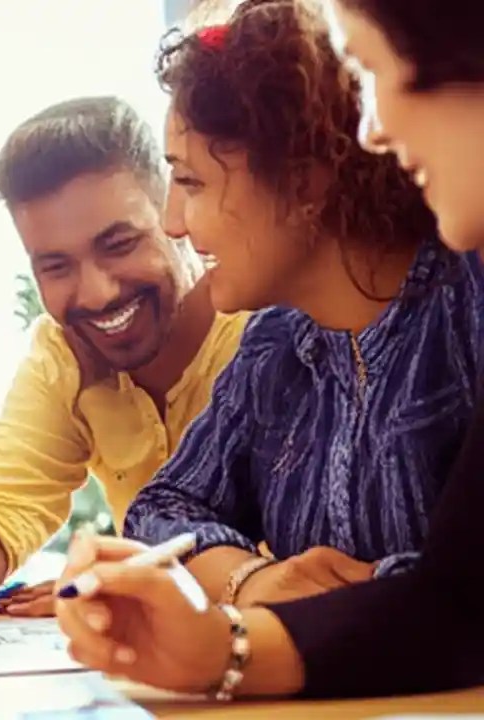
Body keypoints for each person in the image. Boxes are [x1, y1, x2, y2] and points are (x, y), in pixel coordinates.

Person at [54, 0, 484, 699]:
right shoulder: (276, 343)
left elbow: (459, 598)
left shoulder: (465, 297)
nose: (171, 221)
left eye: (190, 181)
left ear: (307, 179)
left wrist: (288, 619)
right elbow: (164, 505)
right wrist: (256, 580)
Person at [0, 97, 249, 638]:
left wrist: (135, 583)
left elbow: (312, 564)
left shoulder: (267, 328)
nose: (96, 292)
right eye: (56, 266)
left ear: (176, 214)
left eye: (119, 244)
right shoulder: (64, 352)